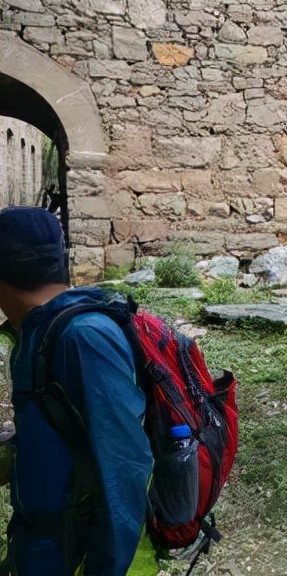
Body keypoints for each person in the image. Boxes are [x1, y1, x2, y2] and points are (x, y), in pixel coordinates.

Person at [0, 206, 152, 576]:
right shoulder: (35, 330)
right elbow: (65, 431)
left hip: (78, 554)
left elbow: (125, 467)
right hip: (41, 545)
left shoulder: (82, 337)